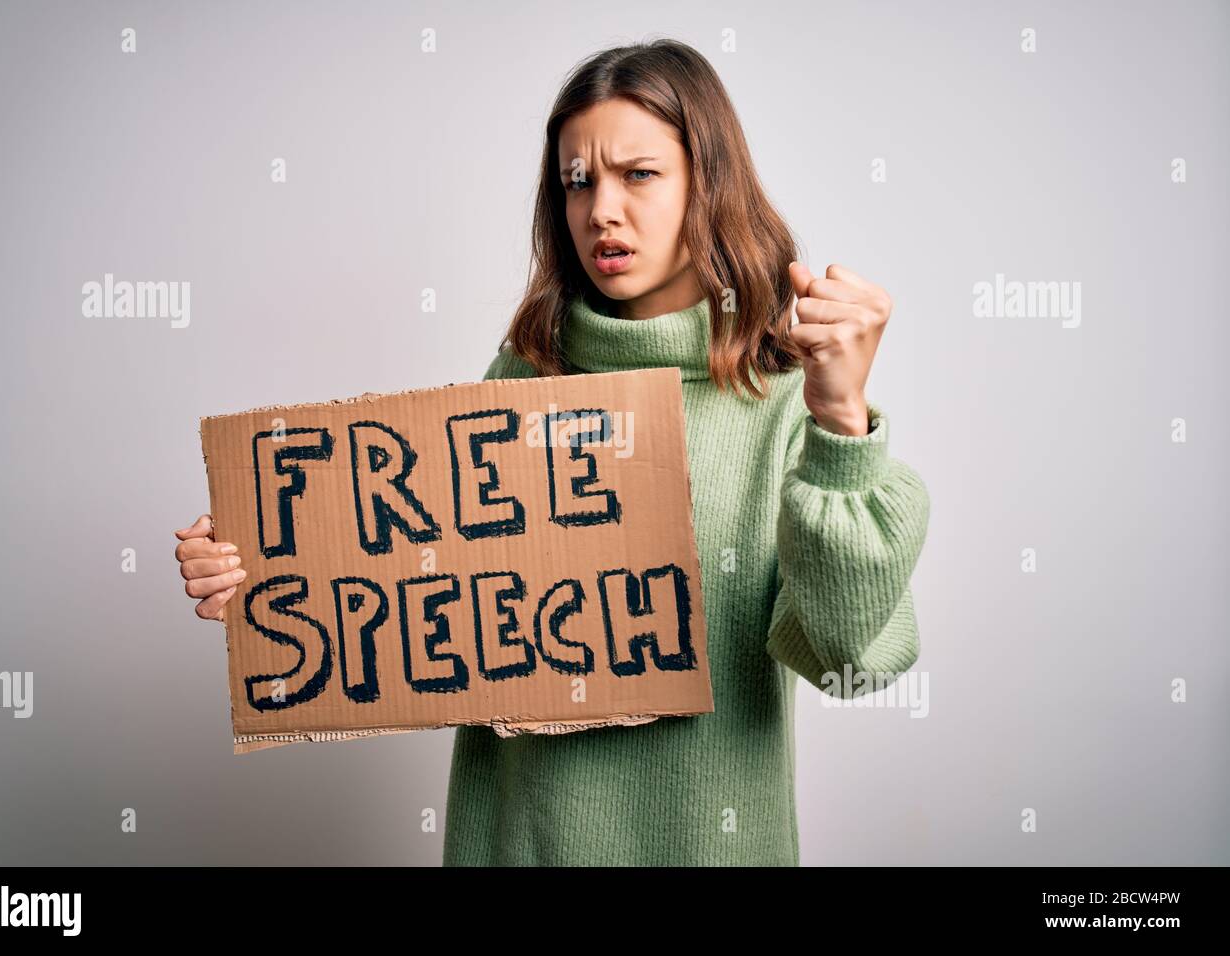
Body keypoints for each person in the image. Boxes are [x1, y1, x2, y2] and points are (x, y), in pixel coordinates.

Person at [174, 38, 929, 866]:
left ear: (707, 183)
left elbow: (848, 656)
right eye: (578, 181)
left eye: (638, 174)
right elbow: (427, 581)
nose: (601, 209)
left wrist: (841, 423)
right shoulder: (524, 373)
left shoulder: (785, 399)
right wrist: (271, 573)